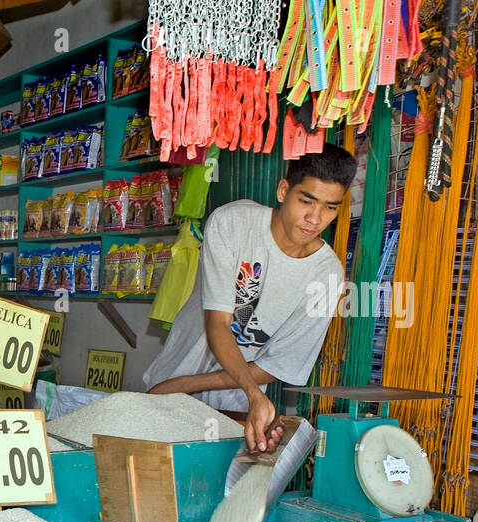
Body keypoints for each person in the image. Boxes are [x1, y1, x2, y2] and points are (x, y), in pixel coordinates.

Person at [142, 145, 356, 452]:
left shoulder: (327, 275)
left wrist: (192, 385)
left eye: (330, 208)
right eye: (306, 201)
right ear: (284, 190)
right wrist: (179, 385)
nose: (315, 218)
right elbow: (218, 323)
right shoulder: (232, 223)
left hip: (238, 409)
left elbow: (280, 364)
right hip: (172, 380)